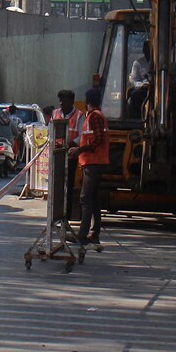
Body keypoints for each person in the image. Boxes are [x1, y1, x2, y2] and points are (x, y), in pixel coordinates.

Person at [75, 87, 110, 250]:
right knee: (94, 199)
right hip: (95, 162)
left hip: (93, 163)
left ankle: (83, 235)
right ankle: (94, 234)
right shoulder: (97, 115)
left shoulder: (94, 116)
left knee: (85, 198)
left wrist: (80, 150)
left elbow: (98, 138)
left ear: (87, 101)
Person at [48, 89, 80, 222]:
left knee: (68, 188)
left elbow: (81, 136)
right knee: (56, 188)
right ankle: (56, 216)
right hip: (57, 156)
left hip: (70, 157)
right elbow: (50, 131)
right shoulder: (55, 113)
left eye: (64, 100)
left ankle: (66, 218)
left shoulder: (79, 115)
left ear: (72, 101)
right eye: (60, 100)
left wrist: (69, 144)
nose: (61, 103)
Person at [127, 41, 152, 118]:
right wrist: (142, 85)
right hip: (144, 90)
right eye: (146, 49)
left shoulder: (161, 63)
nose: (148, 51)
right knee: (135, 95)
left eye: (150, 49)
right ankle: (137, 118)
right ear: (143, 50)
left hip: (159, 89)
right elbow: (134, 80)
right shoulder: (137, 63)